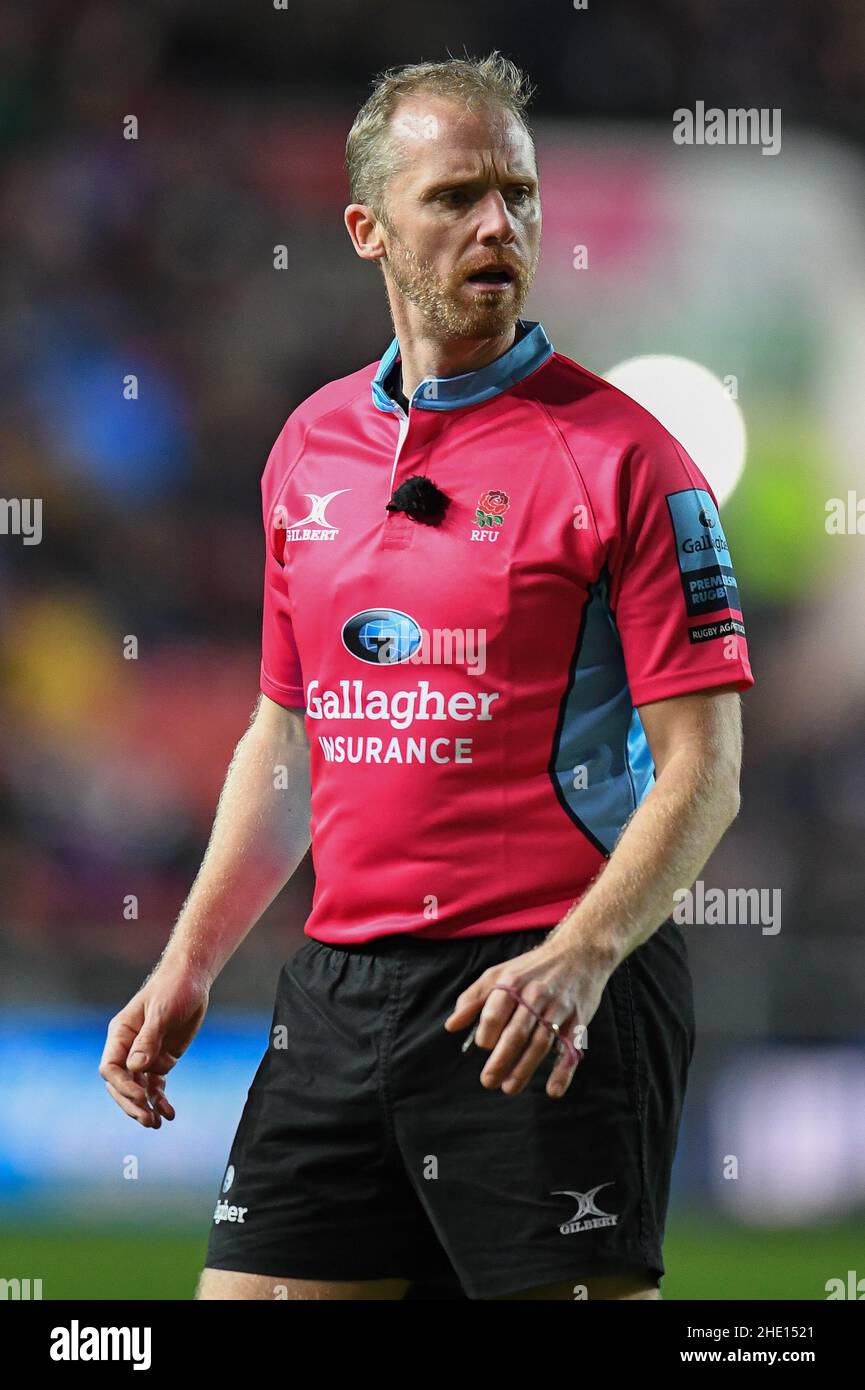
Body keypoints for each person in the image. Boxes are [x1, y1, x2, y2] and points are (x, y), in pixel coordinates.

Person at [99, 52, 754, 1301]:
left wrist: (583, 954)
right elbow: (286, 744)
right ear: (367, 230)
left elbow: (705, 769)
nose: (496, 225)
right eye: (455, 196)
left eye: (517, 193)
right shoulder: (307, 448)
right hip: (338, 992)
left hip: (543, 992)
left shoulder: (628, 460)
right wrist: (187, 963)